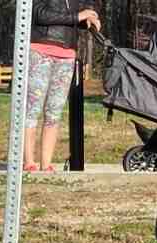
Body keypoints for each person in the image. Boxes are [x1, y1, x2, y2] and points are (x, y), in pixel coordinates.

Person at [24, 0, 101, 172]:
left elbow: (72, 19)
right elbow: (40, 15)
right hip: (40, 51)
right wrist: (78, 16)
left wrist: (89, 18)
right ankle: (29, 162)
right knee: (32, 109)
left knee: (54, 111)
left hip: (67, 55)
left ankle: (46, 164)